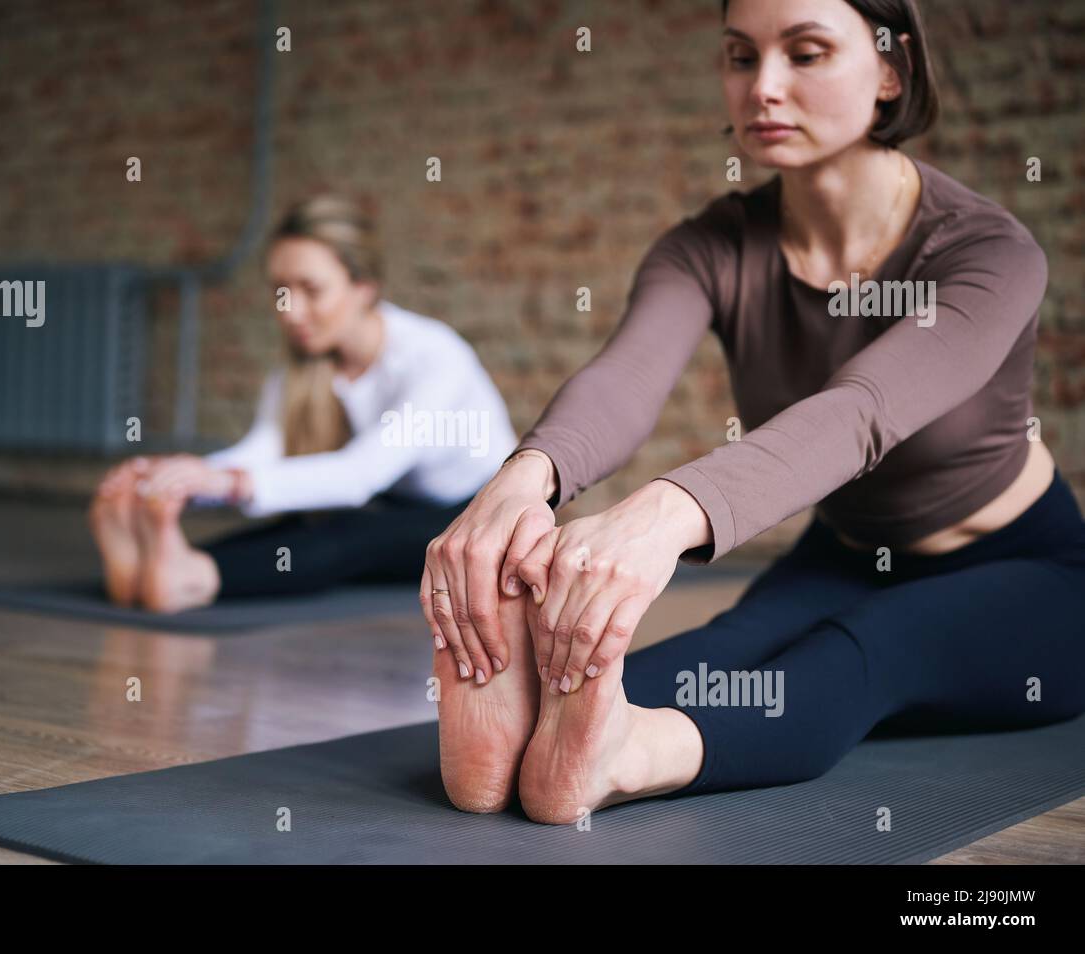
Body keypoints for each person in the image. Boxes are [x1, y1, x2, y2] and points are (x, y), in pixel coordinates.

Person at [423, 0, 1085, 822]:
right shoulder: (710, 247)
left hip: (1023, 572)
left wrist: (665, 515)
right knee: (712, 656)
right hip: (841, 553)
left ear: (890, 69)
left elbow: (861, 411)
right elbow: (626, 377)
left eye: (806, 54)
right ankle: (525, 713)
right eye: (741, 57)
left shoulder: (989, 253)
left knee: (863, 656)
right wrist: (525, 482)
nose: (764, 87)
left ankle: (623, 756)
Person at [90, 194, 517, 612]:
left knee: (353, 532)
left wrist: (226, 483)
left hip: (482, 513)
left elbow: (361, 474)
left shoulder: (434, 355)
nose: (291, 311)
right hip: (397, 502)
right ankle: (155, 568)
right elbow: (263, 452)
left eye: (311, 289)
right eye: (280, 291)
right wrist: (181, 480)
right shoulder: (305, 367)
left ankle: (195, 576)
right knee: (305, 524)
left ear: (363, 287)